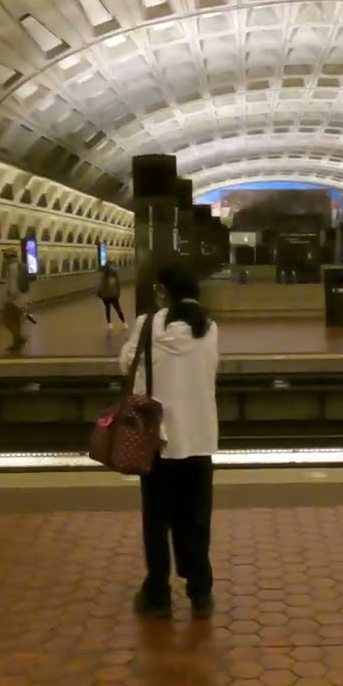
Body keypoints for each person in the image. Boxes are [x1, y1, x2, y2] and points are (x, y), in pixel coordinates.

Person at [118, 261, 220, 620]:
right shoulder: (209, 328)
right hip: (199, 439)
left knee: (157, 519)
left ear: (164, 291)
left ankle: (158, 593)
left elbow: (125, 364)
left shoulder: (148, 325)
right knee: (195, 519)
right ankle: (200, 591)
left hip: (157, 440)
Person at [1, 250, 29, 351]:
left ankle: (20, 338)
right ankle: (16, 344)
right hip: (23, 298)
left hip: (14, 299)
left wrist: (10, 297)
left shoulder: (12, 267)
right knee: (16, 322)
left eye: (5, 256)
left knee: (7, 321)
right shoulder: (22, 265)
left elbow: (12, 284)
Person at [98, 261, 125, 329]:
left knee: (116, 309)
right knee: (109, 309)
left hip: (113, 295)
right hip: (107, 295)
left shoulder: (113, 276)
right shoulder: (105, 276)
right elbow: (102, 286)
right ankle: (111, 323)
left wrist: (117, 293)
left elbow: (118, 285)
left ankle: (123, 322)